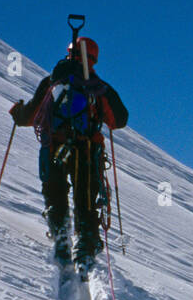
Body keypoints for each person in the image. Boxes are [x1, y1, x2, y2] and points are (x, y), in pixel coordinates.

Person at [10, 37, 128, 273]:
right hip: (85, 149)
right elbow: (119, 120)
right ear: (93, 58)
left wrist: (17, 111)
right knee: (85, 198)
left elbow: (29, 116)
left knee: (55, 192)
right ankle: (85, 245)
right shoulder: (97, 85)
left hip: (53, 147)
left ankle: (60, 235)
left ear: (68, 52)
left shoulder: (52, 81)